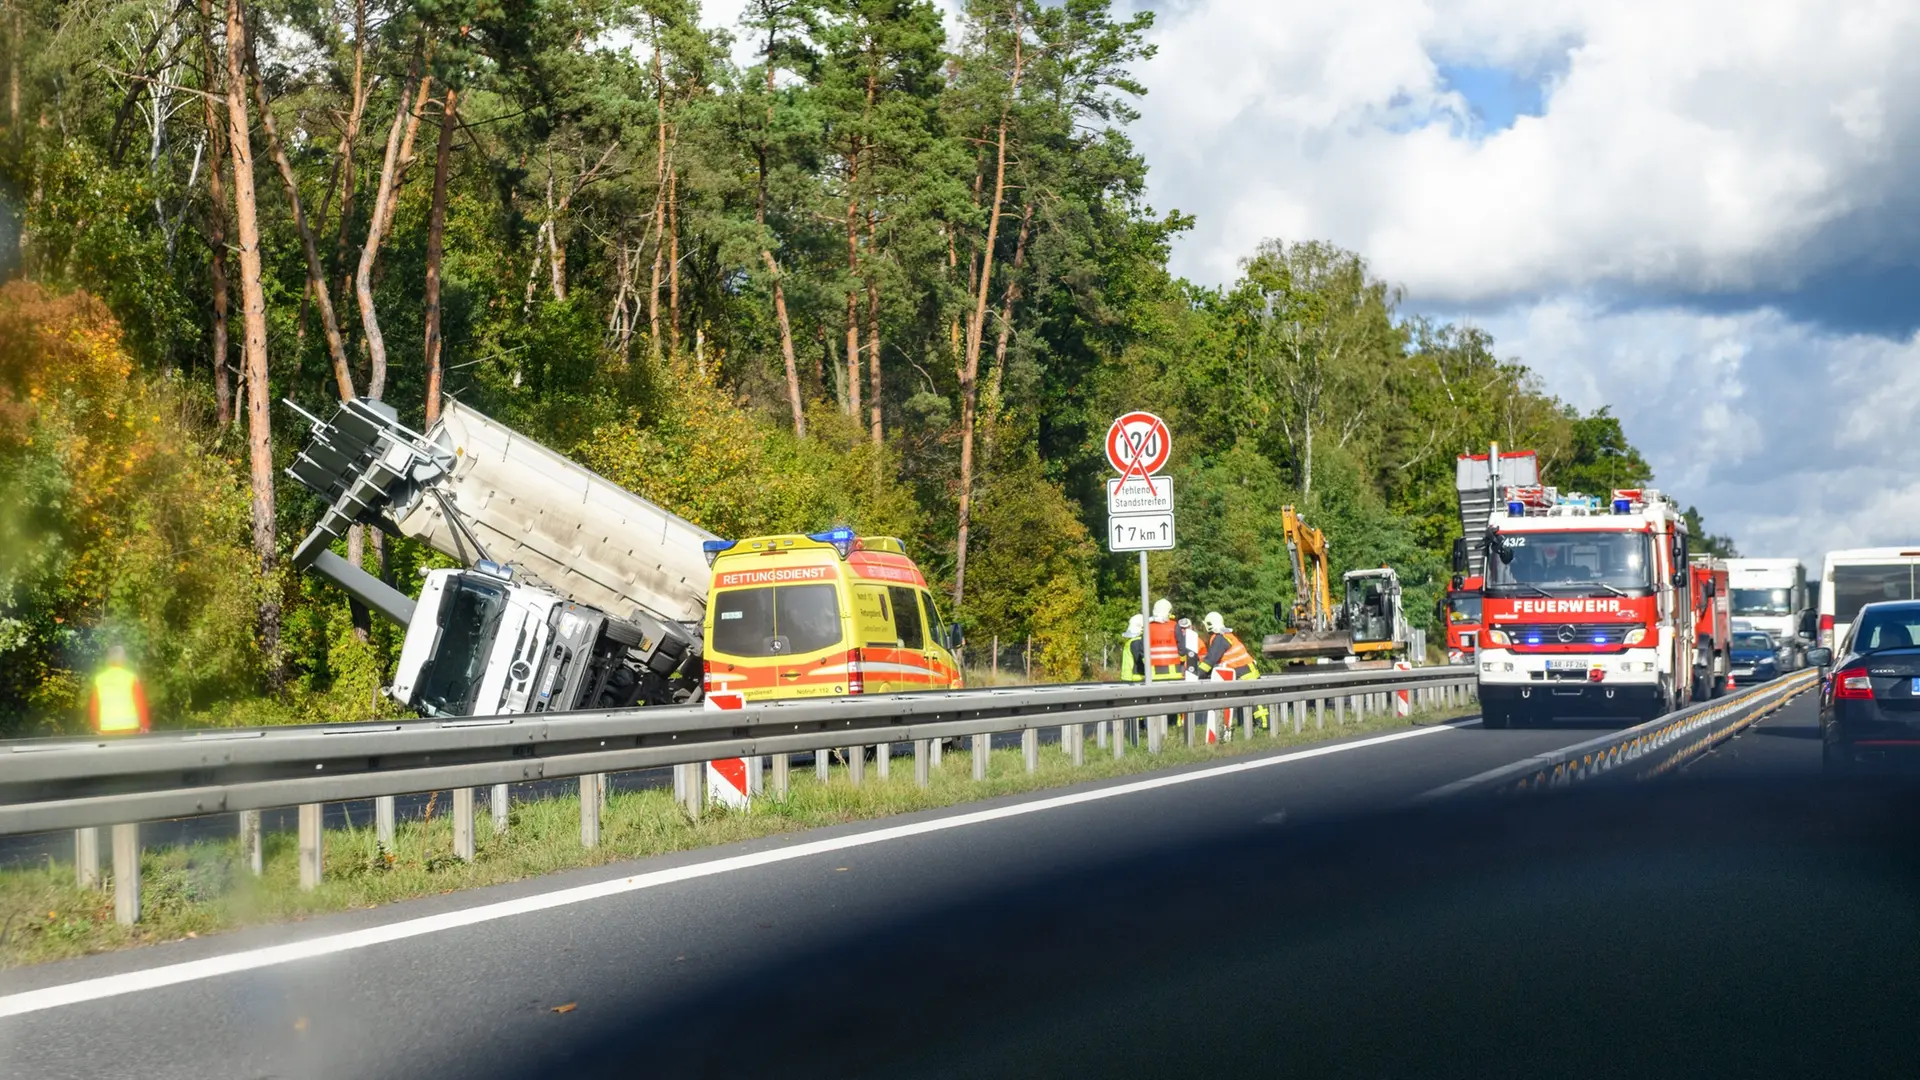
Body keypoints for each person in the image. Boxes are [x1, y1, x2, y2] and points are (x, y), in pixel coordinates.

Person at [1198, 612, 1257, 743]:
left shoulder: (1219, 638)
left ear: (1209, 625)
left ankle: (1263, 729)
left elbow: (1210, 660)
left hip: (1244, 674)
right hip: (1246, 672)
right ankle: (1259, 730)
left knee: (1257, 708)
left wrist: (1198, 676)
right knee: (1253, 706)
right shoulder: (1226, 636)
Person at [89, 645, 150, 735]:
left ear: (109, 660)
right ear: (123, 659)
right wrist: (145, 725)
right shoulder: (131, 678)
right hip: (130, 729)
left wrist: (96, 727)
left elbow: (94, 708)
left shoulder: (100, 680)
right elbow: (140, 703)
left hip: (107, 730)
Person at [1119, 613, 1145, 683]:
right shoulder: (1137, 642)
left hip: (1127, 678)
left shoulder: (1130, 642)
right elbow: (1141, 661)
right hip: (1136, 679)